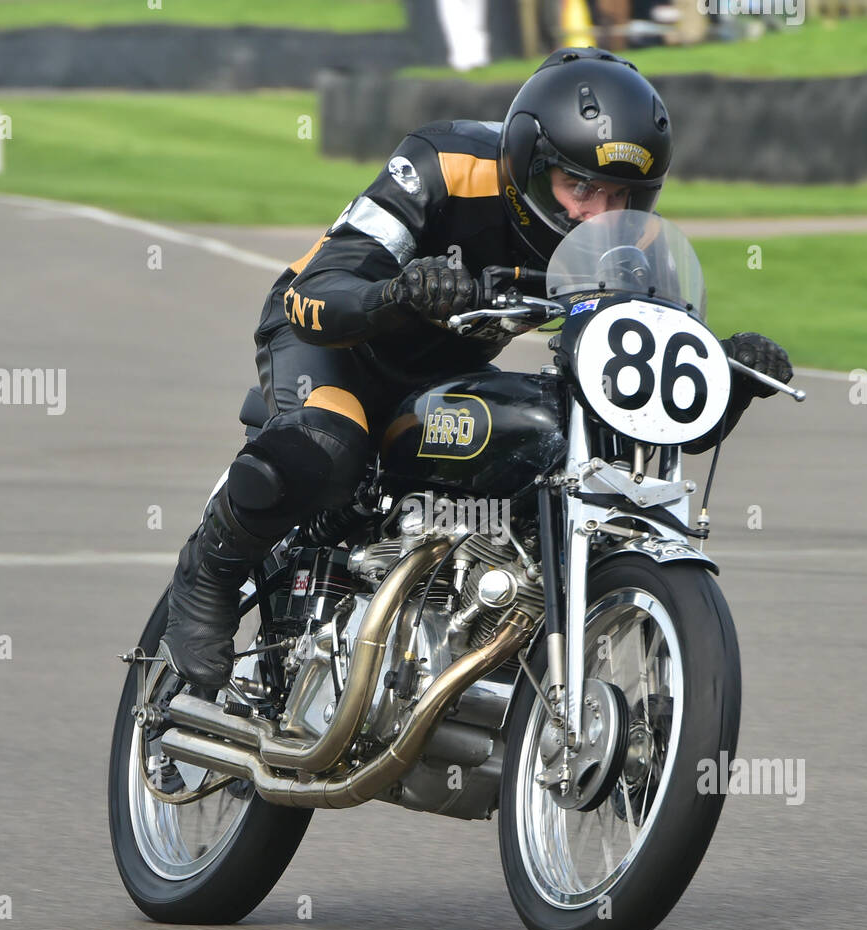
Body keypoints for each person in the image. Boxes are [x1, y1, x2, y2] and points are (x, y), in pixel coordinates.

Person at [160, 47, 792, 691]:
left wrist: (724, 375)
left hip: (442, 374)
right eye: (580, 187)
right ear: (529, 164)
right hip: (334, 341)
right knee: (329, 443)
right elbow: (319, 291)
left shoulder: (629, 240)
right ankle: (207, 570)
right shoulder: (443, 164)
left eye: (621, 195)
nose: (597, 213)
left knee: (546, 440)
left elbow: (636, 391)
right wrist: (400, 292)